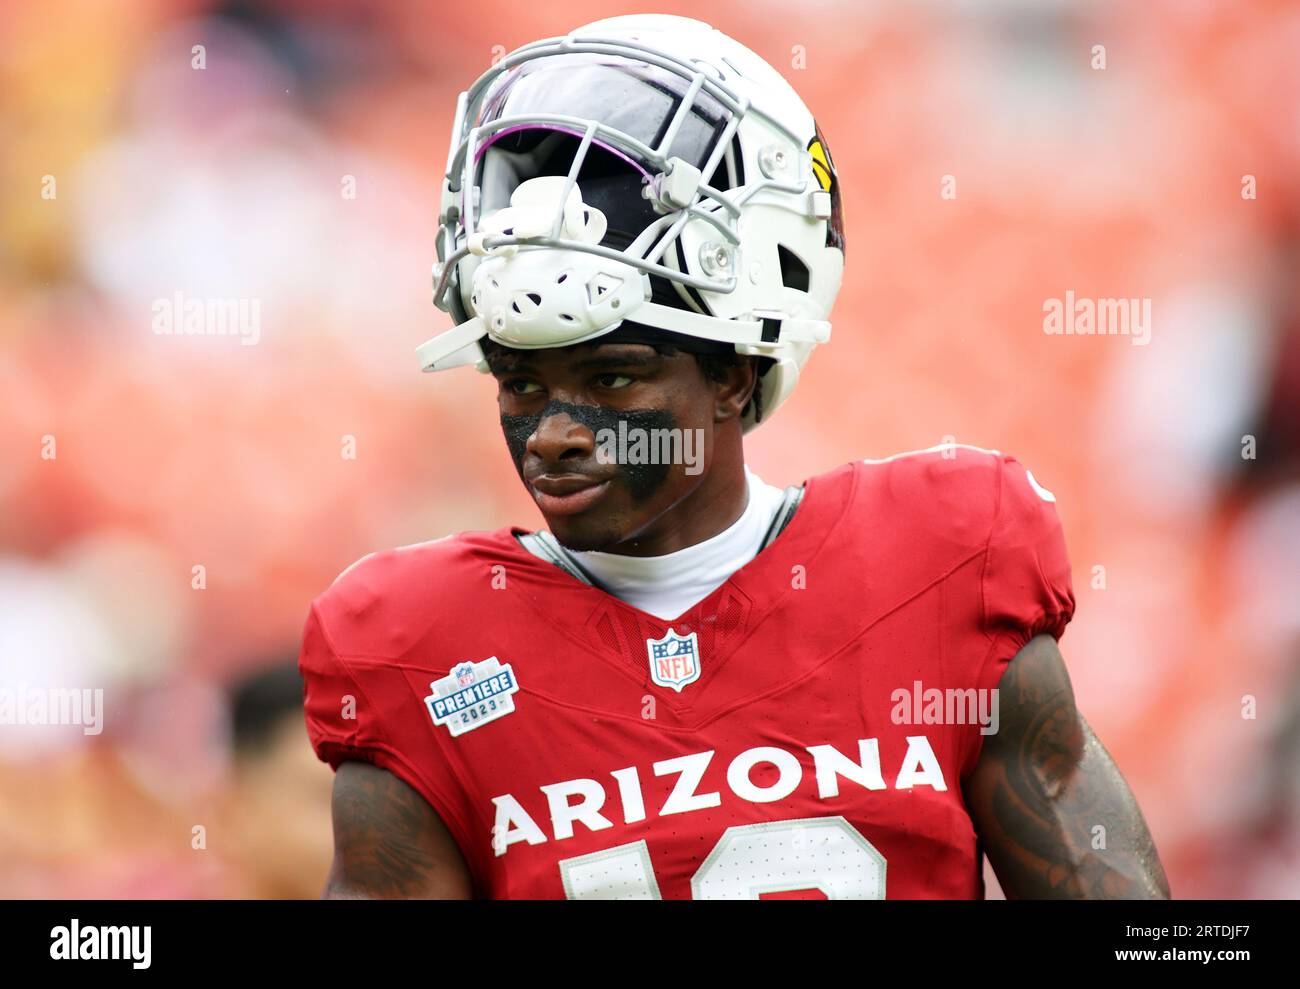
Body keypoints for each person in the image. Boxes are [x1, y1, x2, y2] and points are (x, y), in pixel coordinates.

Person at [299, 13, 1168, 899]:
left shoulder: (937, 571)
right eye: (521, 384)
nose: (556, 431)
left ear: (734, 373)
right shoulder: (423, 656)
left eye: (612, 378)